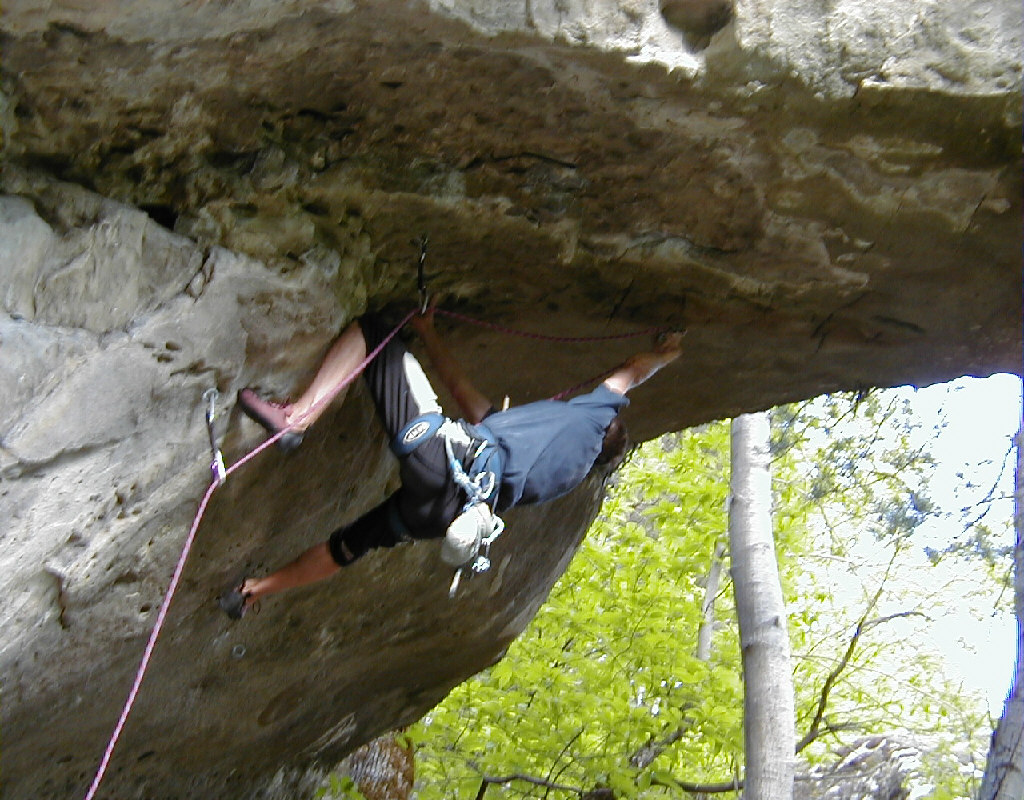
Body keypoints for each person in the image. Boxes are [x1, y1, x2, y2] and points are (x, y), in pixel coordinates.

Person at [219, 308, 683, 618]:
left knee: (376, 331)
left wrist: (665, 354)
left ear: (605, 429)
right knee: (351, 545)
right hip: (443, 514)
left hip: (447, 458)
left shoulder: (596, 416)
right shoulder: (562, 476)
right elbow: (471, 401)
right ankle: (256, 589)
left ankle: (296, 419)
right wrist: (429, 330)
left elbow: (629, 373)